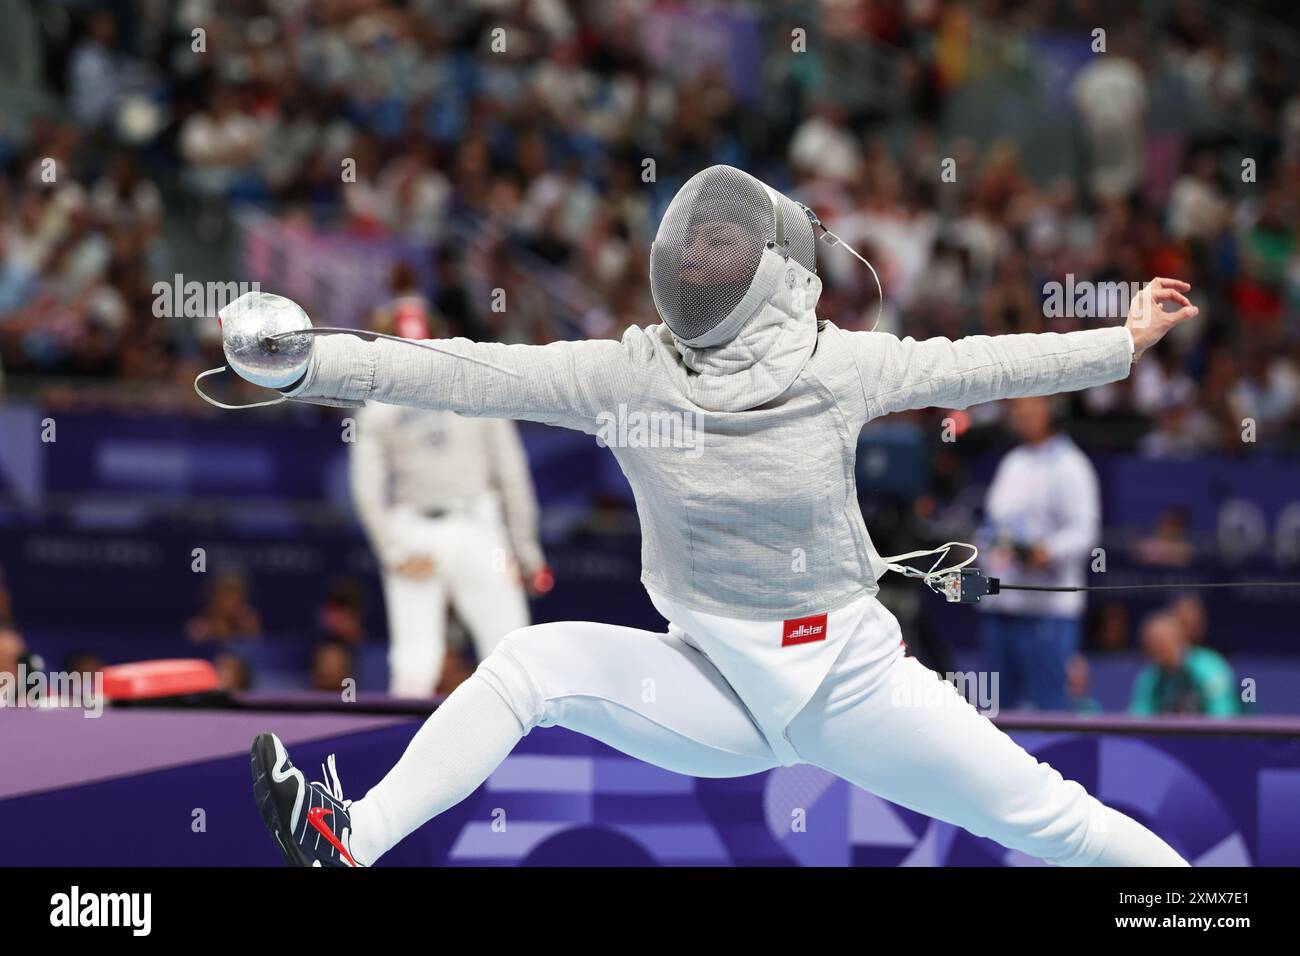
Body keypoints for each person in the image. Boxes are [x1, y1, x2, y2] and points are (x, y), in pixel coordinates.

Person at [244, 165, 1196, 868]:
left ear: (756, 267)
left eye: (715, 247)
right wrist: (310, 363)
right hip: (714, 682)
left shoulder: (824, 367)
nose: (696, 259)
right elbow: (465, 373)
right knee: (528, 666)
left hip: (847, 686)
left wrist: (1120, 342)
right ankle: (353, 839)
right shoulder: (635, 374)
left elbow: (983, 363)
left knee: (1052, 820)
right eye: (690, 246)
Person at [349, 298, 549, 697]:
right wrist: (526, 552)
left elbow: (511, 473)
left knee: (424, 663)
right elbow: (512, 475)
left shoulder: (379, 402)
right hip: (453, 530)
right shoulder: (474, 383)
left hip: (439, 528)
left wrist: (394, 551)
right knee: (502, 653)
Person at [977, 395, 1101, 711]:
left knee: (1049, 711)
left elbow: (1084, 532)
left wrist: (1048, 551)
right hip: (1001, 606)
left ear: (1050, 409)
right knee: (994, 714)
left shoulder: (1071, 465)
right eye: (1016, 407)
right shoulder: (1012, 462)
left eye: (1029, 405)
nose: (1020, 413)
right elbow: (995, 524)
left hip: (1047, 610)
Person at [1130, 611, 1238, 717]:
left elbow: (1222, 716)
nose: (1153, 649)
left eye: (1160, 643)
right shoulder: (1151, 676)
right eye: (1149, 645)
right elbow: (1139, 717)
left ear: (1178, 639)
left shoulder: (1209, 667)